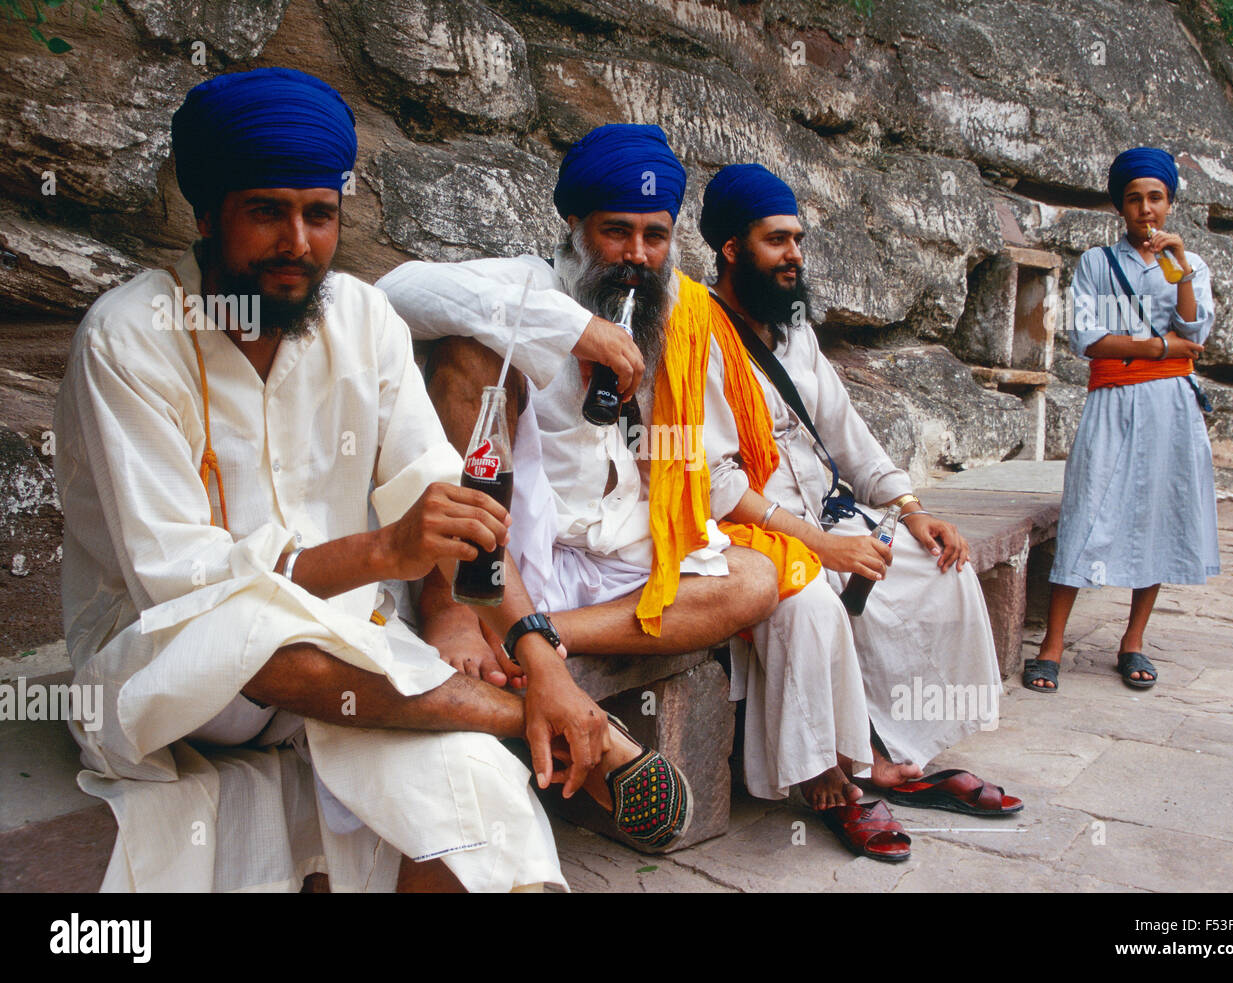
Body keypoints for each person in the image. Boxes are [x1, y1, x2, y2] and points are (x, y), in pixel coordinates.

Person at [53, 68, 691, 893]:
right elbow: (184, 587)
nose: (297, 242)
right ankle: (576, 735)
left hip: (359, 661)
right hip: (168, 671)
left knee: (482, 818)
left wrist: (547, 662)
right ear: (207, 214)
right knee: (248, 634)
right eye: (266, 212)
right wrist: (385, 549)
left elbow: (454, 514)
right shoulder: (129, 339)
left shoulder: (358, 317)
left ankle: (549, 726)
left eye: (319, 214)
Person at [381, 130, 916, 862]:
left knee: (757, 579)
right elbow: (390, 292)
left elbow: (691, 465)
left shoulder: (676, 313)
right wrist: (578, 330)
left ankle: (541, 633)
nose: (637, 253)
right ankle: (476, 618)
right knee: (467, 349)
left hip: (615, 553)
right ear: (575, 227)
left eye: (655, 236)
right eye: (617, 232)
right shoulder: (525, 285)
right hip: (515, 542)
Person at [697, 163, 1021, 830]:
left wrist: (912, 510)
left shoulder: (794, 330)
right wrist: (819, 545)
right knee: (811, 604)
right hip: (755, 532)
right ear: (731, 249)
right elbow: (716, 481)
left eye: (798, 240)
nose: (794, 255)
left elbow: (849, 435)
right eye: (776, 241)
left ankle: (898, 750)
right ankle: (830, 769)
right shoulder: (698, 337)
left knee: (936, 563)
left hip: (830, 514)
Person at [1023, 146, 1218, 693]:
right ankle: (1052, 645)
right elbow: (1090, 339)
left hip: (1172, 407)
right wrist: (1162, 345)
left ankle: (1133, 641)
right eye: (1134, 199)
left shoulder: (1190, 264)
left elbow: (1195, 332)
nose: (1146, 210)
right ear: (1120, 207)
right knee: (1088, 507)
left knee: (1156, 512)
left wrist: (1177, 270)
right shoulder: (1098, 263)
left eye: (1155, 198)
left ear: (1169, 203)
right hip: (1114, 400)